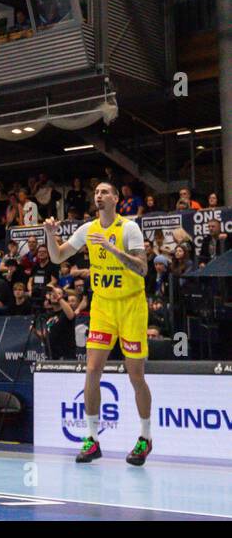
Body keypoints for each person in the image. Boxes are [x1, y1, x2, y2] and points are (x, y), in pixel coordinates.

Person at [43, 181, 153, 466]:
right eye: (97, 193)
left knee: (135, 375)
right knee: (92, 370)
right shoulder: (87, 229)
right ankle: (91, 439)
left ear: (116, 198)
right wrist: (49, 234)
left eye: (105, 192)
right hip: (103, 306)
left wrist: (112, 250)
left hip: (131, 305)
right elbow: (57, 256)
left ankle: (145, 437)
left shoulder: (129, 228)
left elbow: (142, 269)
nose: (99, 196)